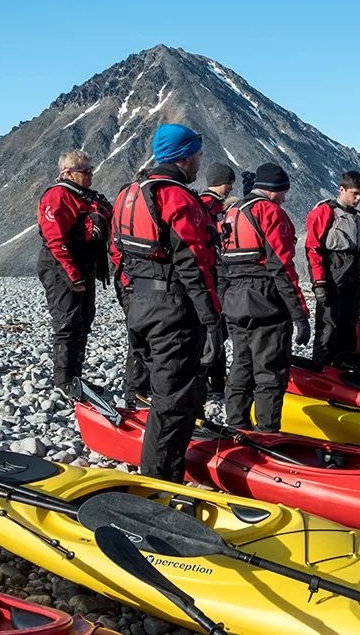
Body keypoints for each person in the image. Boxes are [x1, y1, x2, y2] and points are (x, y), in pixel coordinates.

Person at [110, 123, 223, 482]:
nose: (199, 162)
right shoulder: (176, 196)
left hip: (141, 305)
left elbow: (118, 258)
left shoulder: (128, 194)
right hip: (173, 308)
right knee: (175, 401)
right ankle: (161, 482)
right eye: (198, 155)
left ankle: (156, 463)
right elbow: (194, 261)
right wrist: (211, 319)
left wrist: (130, 303)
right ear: (184, 156)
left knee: (160, 394)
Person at [220, 163, 311, 432]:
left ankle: (236, 428)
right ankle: (266, 436)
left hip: (234, 299)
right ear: (275, 190)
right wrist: (299, 315)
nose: (285, 198)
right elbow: (282, 268)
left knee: (241, 365)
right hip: (265, 301)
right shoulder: (271, 213)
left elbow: (221, 264)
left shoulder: (232, 212)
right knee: (270, 372)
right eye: (284, 192)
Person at [36, 149, 112, 398]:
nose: (90, 175)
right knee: (67, 323)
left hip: (84, 266)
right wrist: (73, 275)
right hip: (62, 267)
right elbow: (55, 239)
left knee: (84, 320)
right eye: (85, 171)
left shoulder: (88, 197)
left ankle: (76, 377)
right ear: (67, 173)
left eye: (91, 170)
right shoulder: (58, 196)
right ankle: (64, 381)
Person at [304, 170, 360, 365]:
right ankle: (321, 374)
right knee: (327, 330)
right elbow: (313, 248)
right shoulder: (325, 212)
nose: (359, 198)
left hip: (352, 283)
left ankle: (344, 375)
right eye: (355, 193)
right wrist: (319, 283)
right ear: (342, 189)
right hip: (331, 280)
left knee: (349, 329)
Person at [198, 163, 234, 392]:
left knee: (216, 326)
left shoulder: (203, 203)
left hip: (212, 271)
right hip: (216, 271)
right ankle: (210, 375)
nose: (230, 187)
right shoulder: (211, 206)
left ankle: (214, 377)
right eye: (228, 183)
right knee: (216, 325)